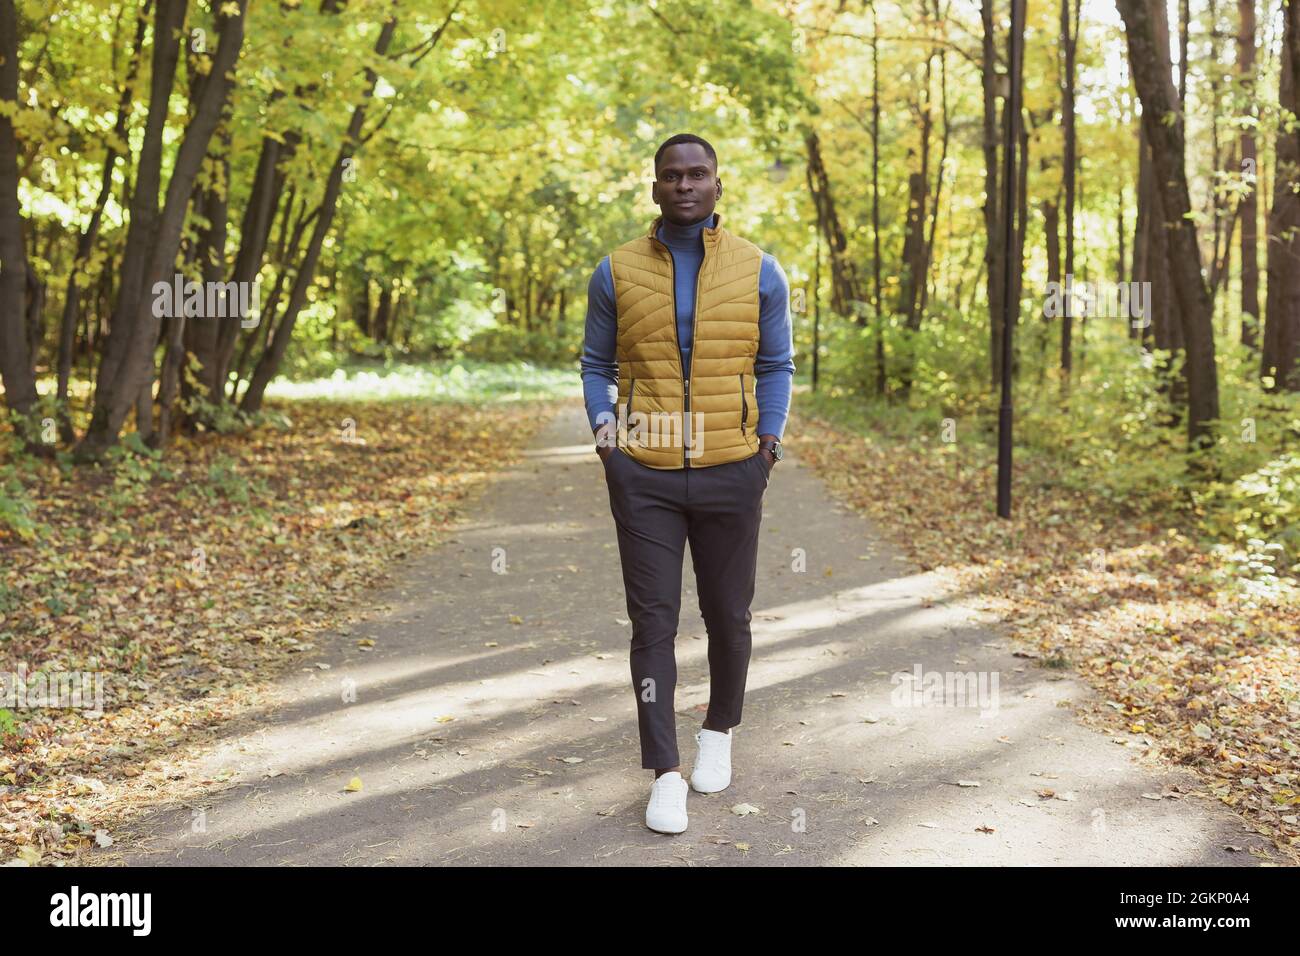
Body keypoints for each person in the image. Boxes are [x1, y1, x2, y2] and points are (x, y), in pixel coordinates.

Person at [579, 133, 795, 834]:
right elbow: (595, 364)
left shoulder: (759, 269)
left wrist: (768, 445)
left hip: (733, 467)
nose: (684, 185)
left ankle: (719, 731)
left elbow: (777, 364)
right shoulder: (615, 270)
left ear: (716, 186)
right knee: (653, 623)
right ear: (655, 188)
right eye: (672, 175)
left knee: (729, 616)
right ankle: (664, 771)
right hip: (644, 473)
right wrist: (609, 442)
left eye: (697, 174)